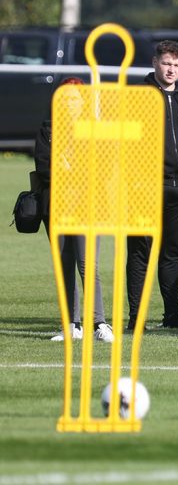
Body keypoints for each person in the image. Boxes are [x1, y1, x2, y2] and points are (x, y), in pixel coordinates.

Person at [127, 40, 178, 330]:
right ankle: (136, 318)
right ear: (155, 63)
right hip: (144, 190)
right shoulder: (138, 96)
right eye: (166, 63)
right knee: (139, 253)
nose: (171, 69)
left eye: (176, 65)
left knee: (172, 254)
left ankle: (172, 314)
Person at [36, 77, 112, 343]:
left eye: (75, 98)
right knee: (64, 265)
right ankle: (71, 324)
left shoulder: (93, 129)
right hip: (56, 206)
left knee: (87, 264)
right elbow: (44, 167)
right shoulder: (49, 130)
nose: (70, 103)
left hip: (88, 205)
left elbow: (100, 169)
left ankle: (99, 323)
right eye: (65, 98)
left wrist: (71, 167)